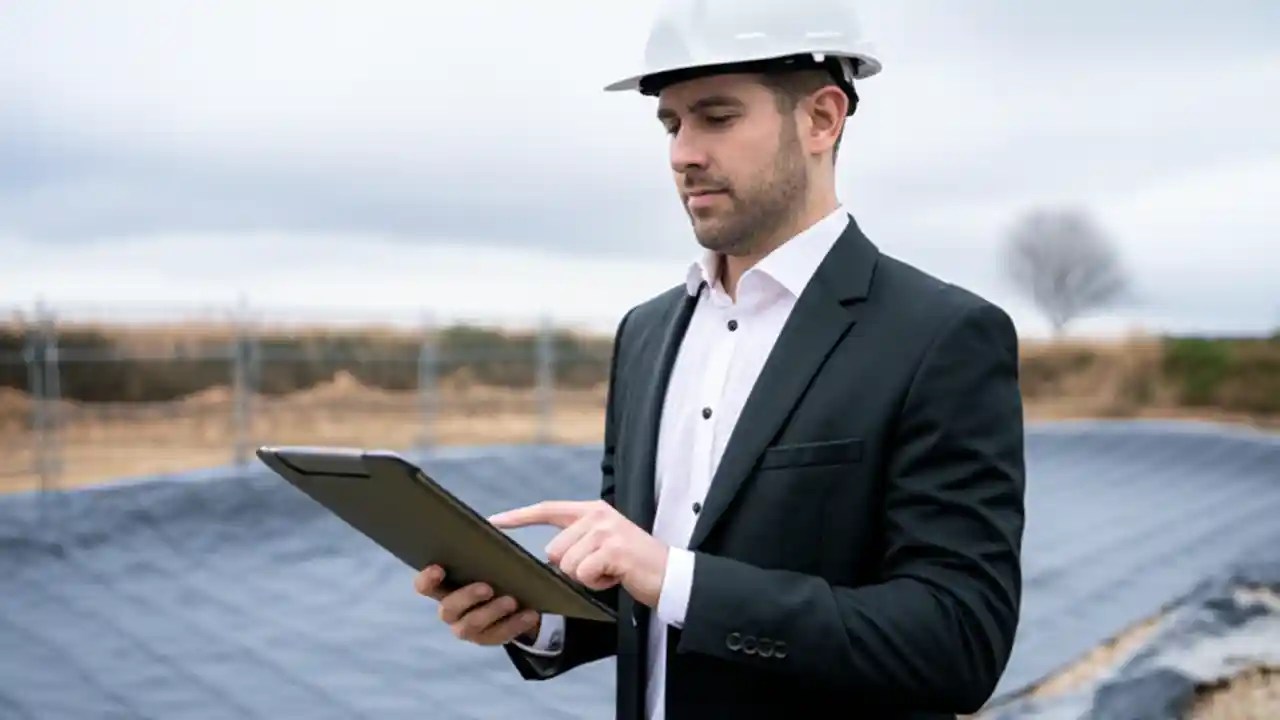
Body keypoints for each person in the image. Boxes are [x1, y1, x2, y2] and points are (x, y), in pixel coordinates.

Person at [414, 1, 1027, 718]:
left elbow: (957, 641)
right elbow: (644, 587)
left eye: (717, 117)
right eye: (672, 124)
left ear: (822, 119)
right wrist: (540, 617)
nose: (683, 153)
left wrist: (677, 577)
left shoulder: (941, 337)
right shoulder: (645, 335)